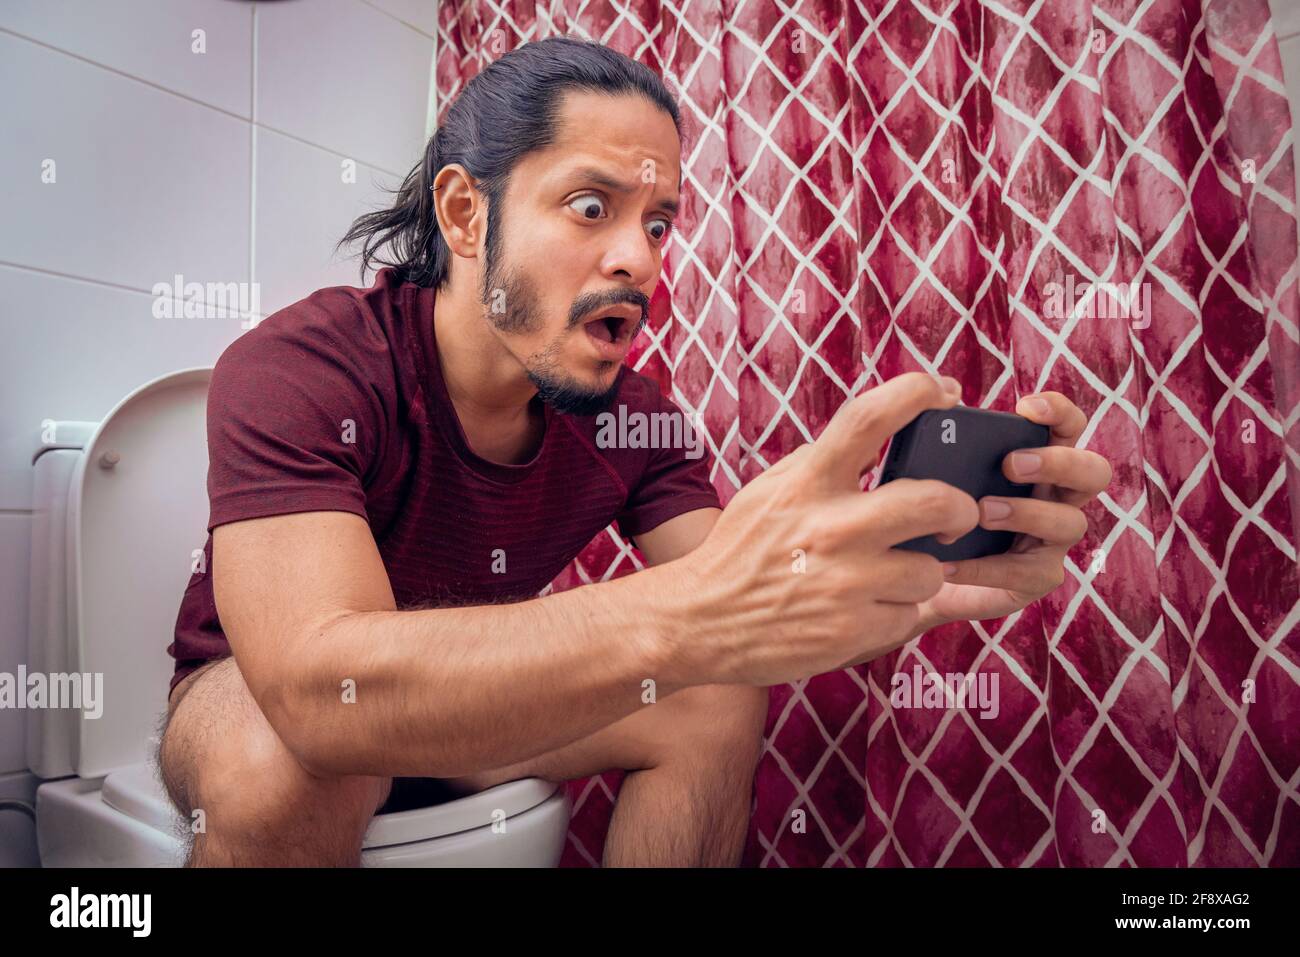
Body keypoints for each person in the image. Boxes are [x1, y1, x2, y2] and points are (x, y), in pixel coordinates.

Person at [156, 36, 1112, 867]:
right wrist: (690, 613)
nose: (642, 260)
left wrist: (900, 570)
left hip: (469, 714)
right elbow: (324, 692)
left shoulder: (630, 417)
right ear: (464, 215)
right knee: (283, 763)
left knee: (715, 697)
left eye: (657, 223)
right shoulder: (301, 366)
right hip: (260, 703)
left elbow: (748, 596)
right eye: (589, 208)